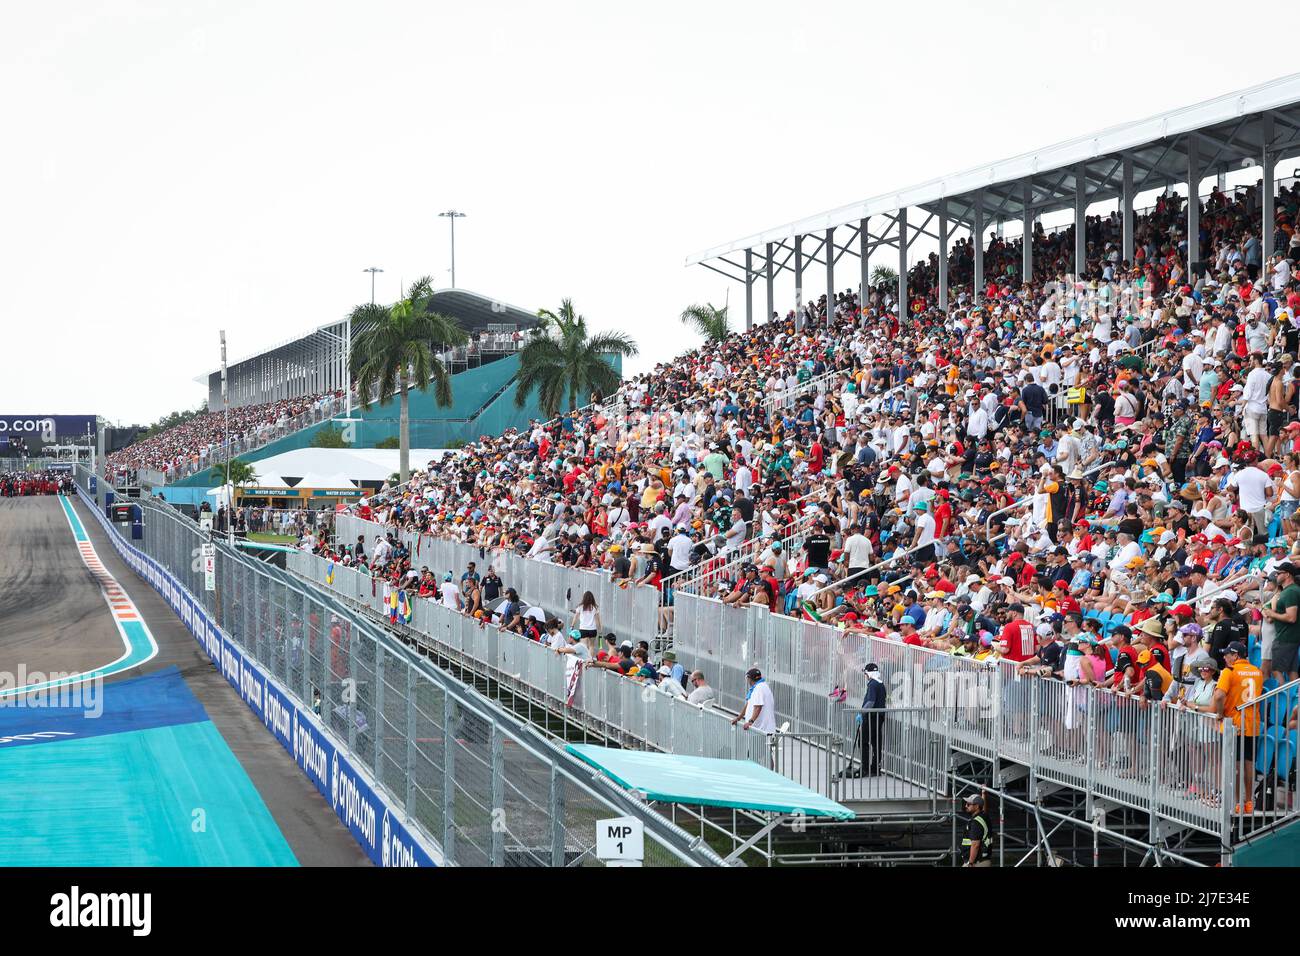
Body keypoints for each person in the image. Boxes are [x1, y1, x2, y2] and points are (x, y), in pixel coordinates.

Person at [1215, 641, 1263, 815]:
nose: (1224, 656)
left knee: (1234, 764)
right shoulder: (1257, 672)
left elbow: (1219, 695)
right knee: (1249, 763)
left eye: (1228, 654)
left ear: (1235, 656)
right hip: (1252, 723)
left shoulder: (1230, 671)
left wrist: (1220, 714)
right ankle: (1249, 802)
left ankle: (1236, 802)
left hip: (1233, 723)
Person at [839, 662, 887, 779]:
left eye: (865, 673)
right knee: (876, 742)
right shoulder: (881, 684)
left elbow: (870, 702)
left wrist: (861, 713)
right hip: (879, 716)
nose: (865, 676)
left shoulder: (872, 684)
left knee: (863, 741)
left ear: (868, 674)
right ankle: (875, 767)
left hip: (871, 717)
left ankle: (865, 767)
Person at [731, 667, 777, 733]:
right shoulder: (762, 686)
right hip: (761, 730)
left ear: (750, 679)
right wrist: (738, 718)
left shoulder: (759, 688)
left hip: (761, 731)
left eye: (747, 678)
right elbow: (748, 705)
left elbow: (758, 707)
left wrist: (750, 722)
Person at [961, 793, 993, 867]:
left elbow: (975, 845)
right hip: (983, 860)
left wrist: (970, 863)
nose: (966, 806)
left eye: (969, 804)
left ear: (977, 806)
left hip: (976, 862)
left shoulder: (976, 823)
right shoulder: (983, 816)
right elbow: (983, 808)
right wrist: (983, 793)